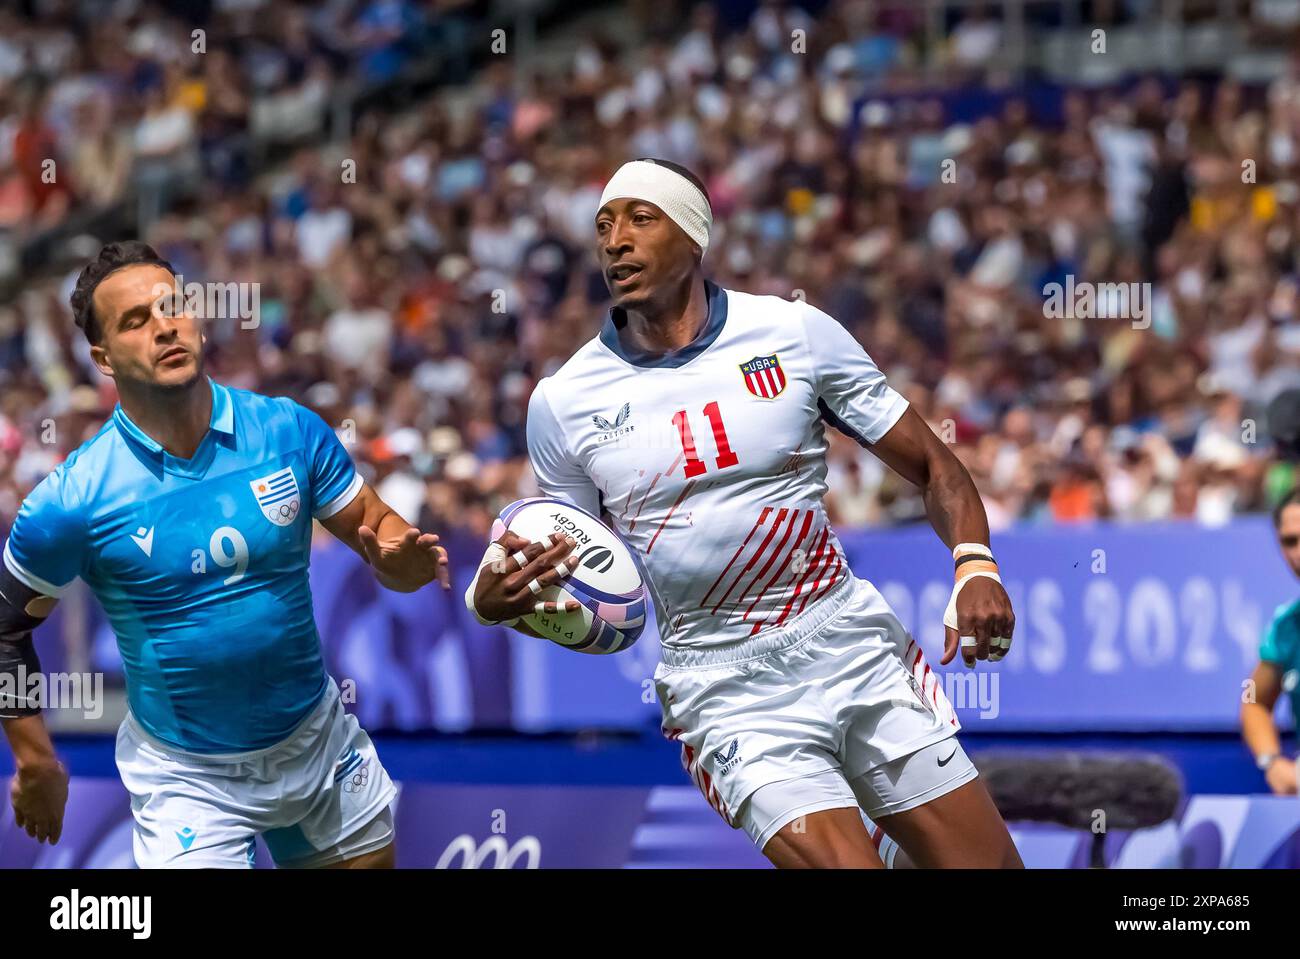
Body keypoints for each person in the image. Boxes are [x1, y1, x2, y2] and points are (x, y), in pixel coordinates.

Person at [468, 159, 1022, 868]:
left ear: (693, 236)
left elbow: (934, 465)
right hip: (724, 684)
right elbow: (570, 564)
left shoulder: (795, 333)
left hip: (845, 641)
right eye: (604, 225)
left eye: (641, 218)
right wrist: (498, 601)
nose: (614, 241)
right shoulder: (563, 401)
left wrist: (975, 564)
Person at [0, 241, 450, 867]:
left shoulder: (288, 430)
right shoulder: (72, 500)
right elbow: (6, 629)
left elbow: (384, 536)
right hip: (188, 781)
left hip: (318, 745)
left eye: (171, 306)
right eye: (135, 321)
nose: (164, 327)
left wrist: (402, 565)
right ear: (102, 357)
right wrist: (35, 759)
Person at [1241, 488, 1300, 796]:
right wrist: (1271, 761)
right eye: (1290, 541)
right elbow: (1254, 701)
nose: (1299, 553)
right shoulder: (1286, 626)